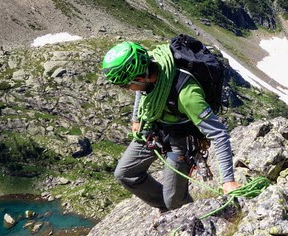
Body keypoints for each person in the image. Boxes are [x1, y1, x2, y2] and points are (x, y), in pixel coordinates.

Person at [101, 41, 241, 212]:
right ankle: (169, 209)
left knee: (174, 200)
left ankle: (182, 210)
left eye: (125, 85)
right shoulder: (149, 63)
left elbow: (219, 133)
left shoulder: (187, 95)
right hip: (154, 128)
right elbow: (143, 90)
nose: (127, 89)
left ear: (139, 78)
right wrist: (136, 118)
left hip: (180, 139)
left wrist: (228, 181)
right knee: (125, 174)